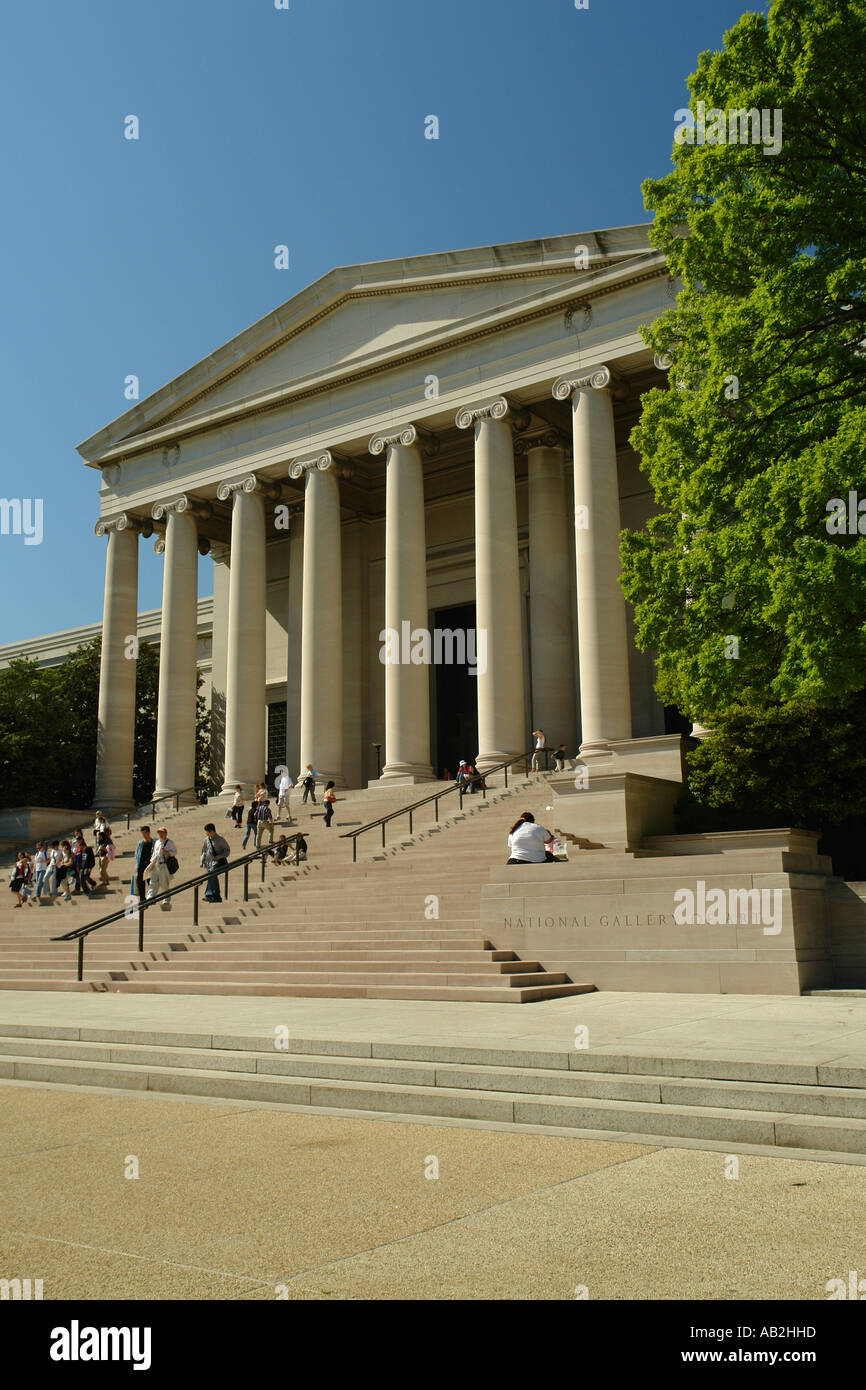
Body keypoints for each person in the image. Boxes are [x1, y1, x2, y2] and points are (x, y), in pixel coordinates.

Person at [145, 827, 177, 911]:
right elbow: (154, 853)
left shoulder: (169, 842)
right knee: (153, 881)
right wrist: (152, 862)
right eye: (159, 833)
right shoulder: (157, 842)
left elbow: (174, 852)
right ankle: (150, 897)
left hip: (164, 865)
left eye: (162, 832)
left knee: (164, 883)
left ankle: (166, 900)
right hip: (156, 864)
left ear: (165, 833)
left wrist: (166, 852)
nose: (160, 834)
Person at [201, 823, 231, 903]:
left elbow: (227, 850)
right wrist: (202, 861)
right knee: (211, 875)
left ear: (211, 831)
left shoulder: (220, 839)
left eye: (207, 831)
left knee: (212, 873)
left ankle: (210, 894)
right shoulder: (206, 840)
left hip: (219, 862)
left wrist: (220, 856)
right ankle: (216, 896)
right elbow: (204, 851)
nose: (206, 833)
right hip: (210, 863)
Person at [133, 826, 154, 902]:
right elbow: (137, 854)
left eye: (145, 833)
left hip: (150, 865)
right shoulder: (140, 843)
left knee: (151, 882)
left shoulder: (154, 842)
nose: (144, 835)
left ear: (148, 832)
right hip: (141, 865)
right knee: (140, 883)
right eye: (142, 833)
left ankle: (151, 897)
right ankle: (142, 899)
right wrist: (137, 866)